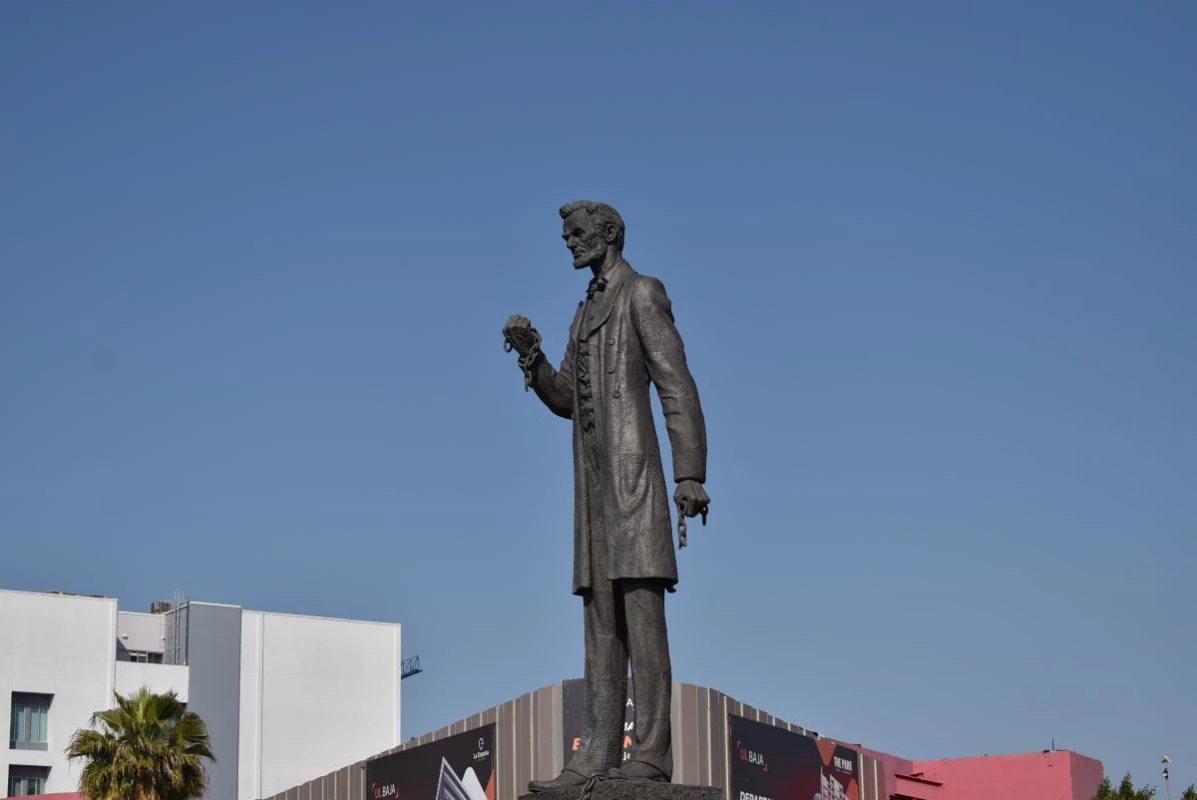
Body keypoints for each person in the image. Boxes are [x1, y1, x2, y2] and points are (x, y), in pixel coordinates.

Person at [503, 200, 709, 789]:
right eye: (565, 235)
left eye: (576, 233)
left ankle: (651, 752)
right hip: (593, 493)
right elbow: (568, 398)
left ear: (609, 233)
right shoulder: (583, 310)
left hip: (634, 481)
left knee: (643, 620)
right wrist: (534, 357)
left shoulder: (642, 293)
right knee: (599, 621)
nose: (568, 242)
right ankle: (595, 752)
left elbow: (677, 385)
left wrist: (689, 473)